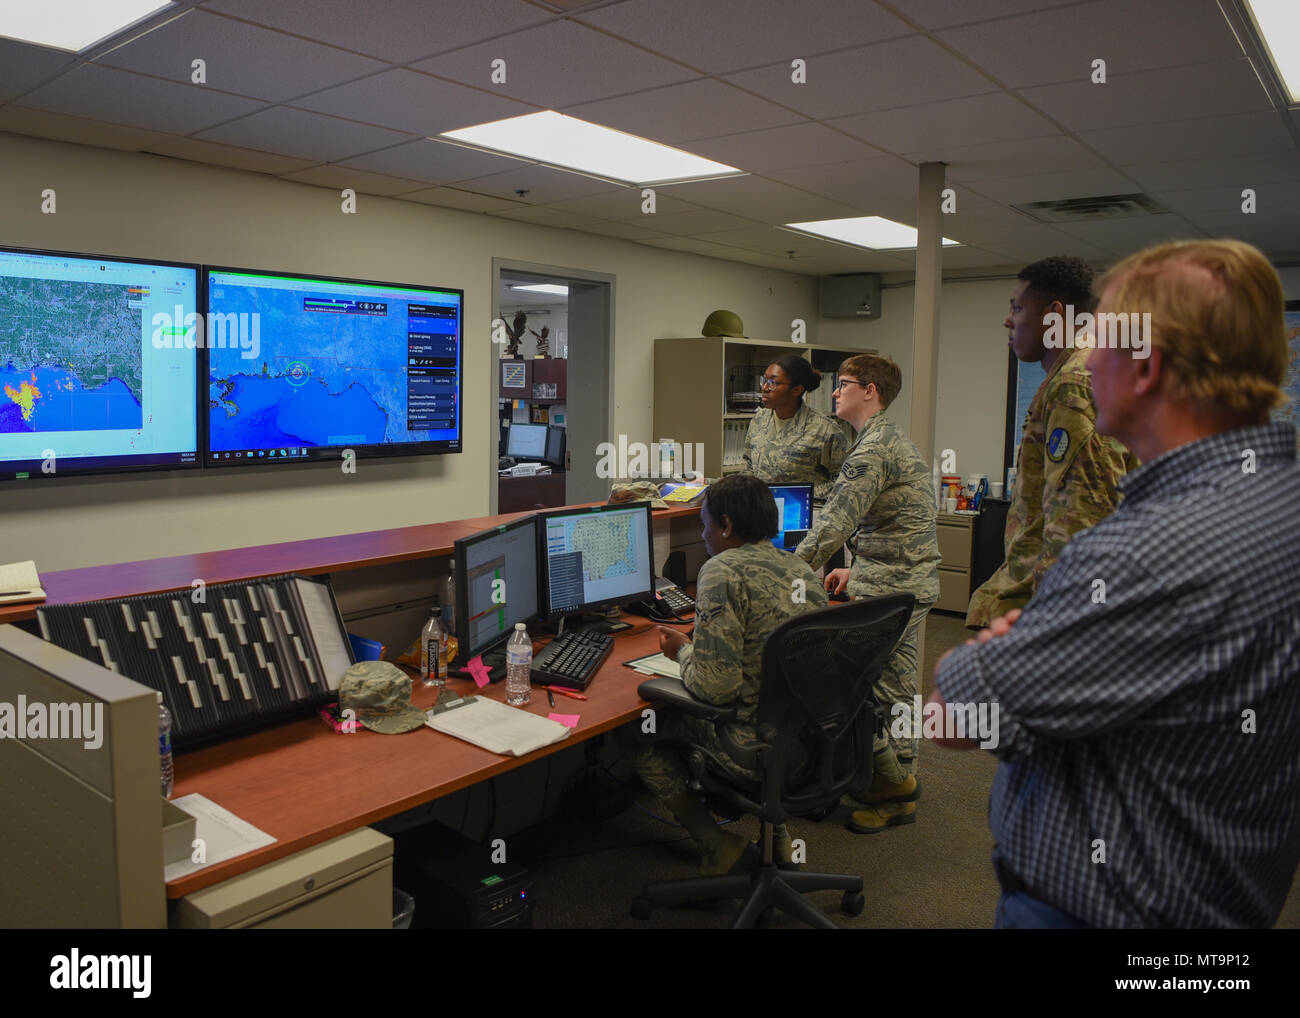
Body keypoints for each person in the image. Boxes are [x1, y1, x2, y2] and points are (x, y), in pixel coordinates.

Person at [932, 238, 1300, 928]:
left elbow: (953, 713)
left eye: (1098, 340)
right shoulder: (1276, 500)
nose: (1086, 356)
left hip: (1104, 907)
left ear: (1144, 366)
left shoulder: (1146, 550)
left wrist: (983, 653)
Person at [629, 473, 829, 874]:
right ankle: (779, 839)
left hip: (749, 745)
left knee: (641, 731)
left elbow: (716, 687)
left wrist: (682, 651)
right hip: (812, 741)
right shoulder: (802, 571)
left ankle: (717, 845)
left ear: (726, 526)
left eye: (704, 523)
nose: (702, 534)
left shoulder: (722, 571)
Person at [793, 354, 940, 834]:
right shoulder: (885, 438)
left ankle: (895, 790)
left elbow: (836, 520)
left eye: (844, 383)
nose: (835, 392)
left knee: (881, 690)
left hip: (896, 588)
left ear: (870, 391)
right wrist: (856, 573)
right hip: (898, 578)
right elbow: (894, 522)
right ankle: (892, 781)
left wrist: (782, 571)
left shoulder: (873, 449)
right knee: (894, 689)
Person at [966, 256, 1137, 629]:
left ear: (1055, 314)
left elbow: (1080, 519)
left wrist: (1053, 630)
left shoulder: (1074, 382)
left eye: (1017, 307)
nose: (1008, 320)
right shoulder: (1096, 368)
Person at [741, 354, 851, 498]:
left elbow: (844, 483)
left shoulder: (825, 430)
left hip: (802, 512)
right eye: (764, 381)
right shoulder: (759, 420)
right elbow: (749, 467)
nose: (765, 388)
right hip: (761, 510)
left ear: (796, 390)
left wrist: (801, 495)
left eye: (773, 383)